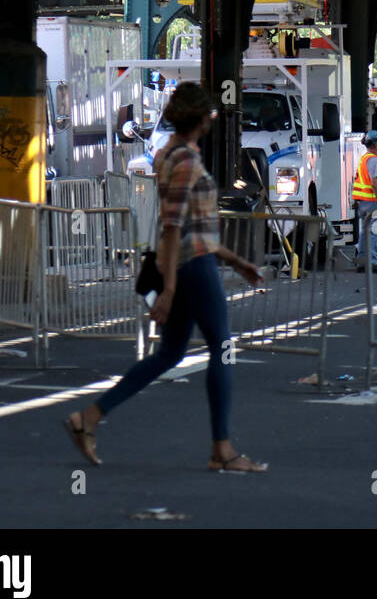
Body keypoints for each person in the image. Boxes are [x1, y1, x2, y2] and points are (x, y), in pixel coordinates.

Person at [63, 82, 267, 473]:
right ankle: (222, 449)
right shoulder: (185, 161)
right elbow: (173, 227)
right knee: (222, 346)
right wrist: (170, 289)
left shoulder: (171, 155)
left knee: (171, 353)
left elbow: (192, 227)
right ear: (201, 119)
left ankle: (88, 418)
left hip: (192, 262)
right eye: (209, 115)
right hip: (193, 268)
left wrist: (235, 261)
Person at [352, 130, 377, 271]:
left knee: (365, 233)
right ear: (376, 145)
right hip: (373, 202)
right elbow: (374, 183)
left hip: (363, 202)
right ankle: (373, 262)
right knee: (376, 233)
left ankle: (362, 262)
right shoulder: (373, 160)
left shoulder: (364, 159)